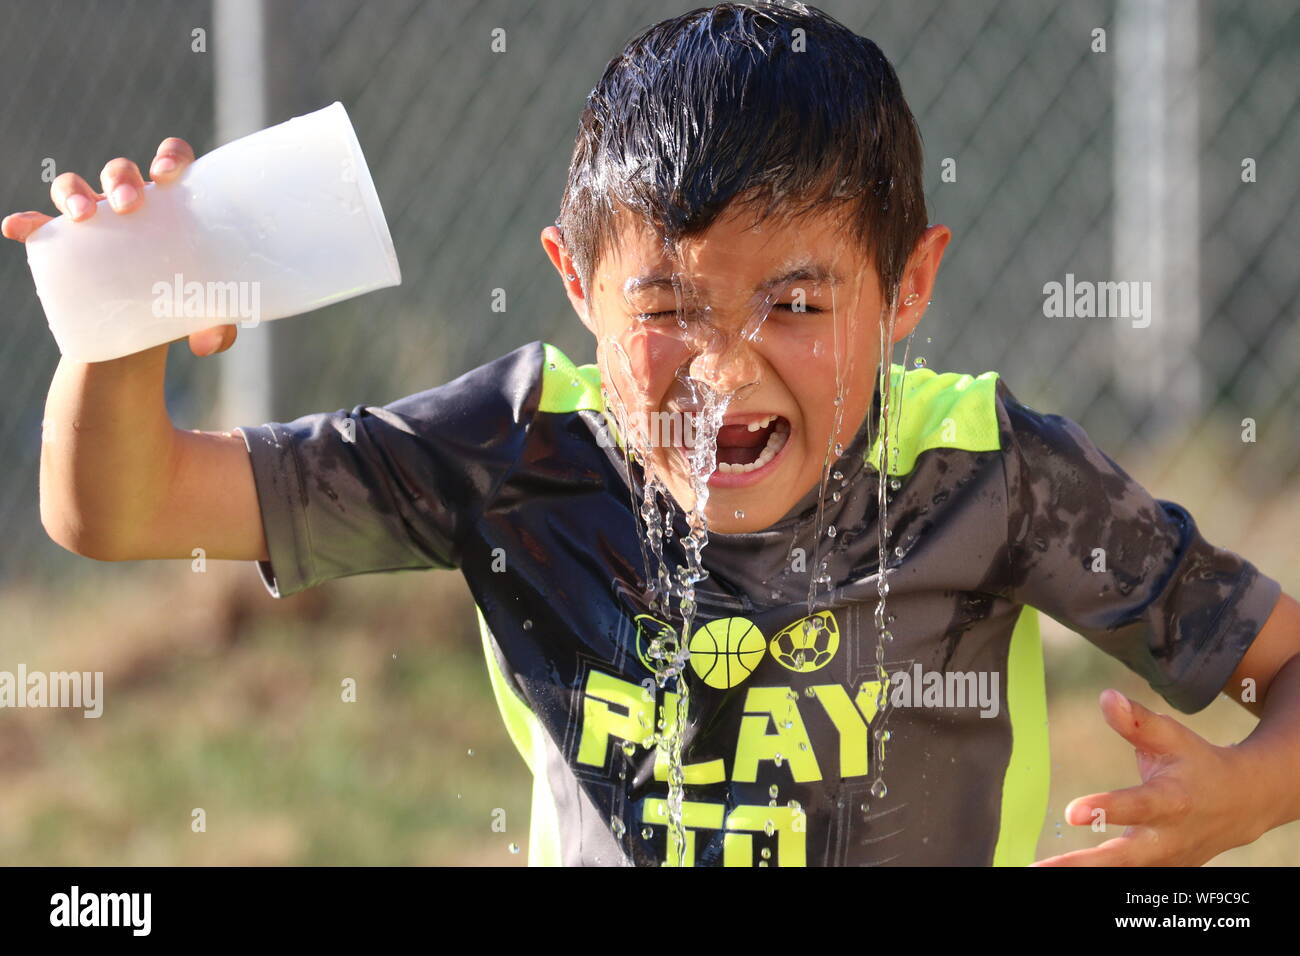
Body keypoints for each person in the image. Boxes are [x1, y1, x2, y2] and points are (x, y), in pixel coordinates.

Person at [8, 2, 1299, 867]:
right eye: (670, 309)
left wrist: (1246, 793)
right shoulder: (519, 453)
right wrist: (120, 331)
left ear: (907, 287)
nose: (727, 369)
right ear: (576, 286)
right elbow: (121, 513)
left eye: (797, 305)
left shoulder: (984, 474)